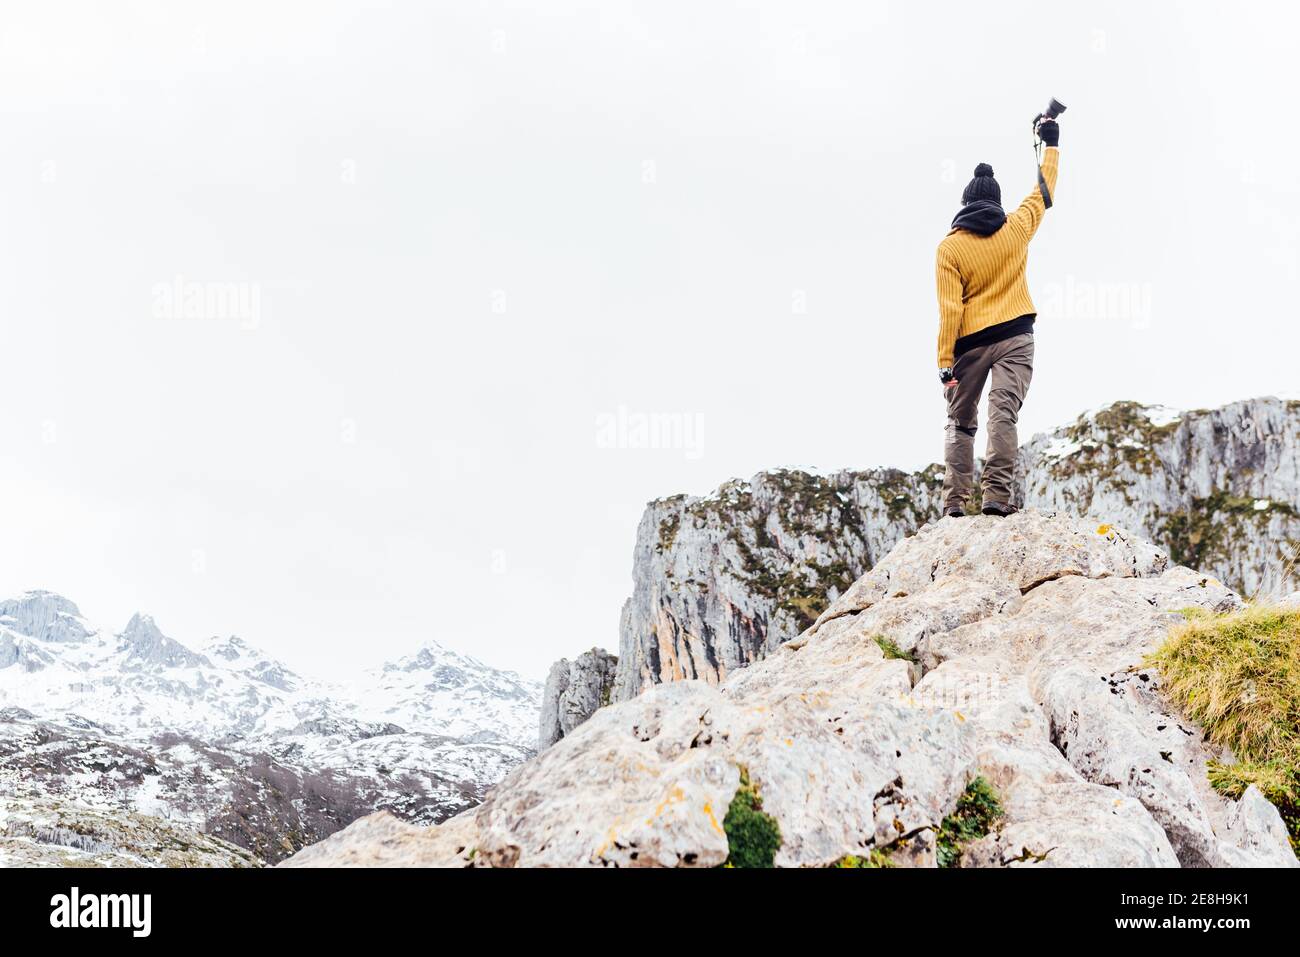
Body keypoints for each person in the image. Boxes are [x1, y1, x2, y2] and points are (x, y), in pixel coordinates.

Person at [935, 117, 1060, 518]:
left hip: (968, 344)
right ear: (996, 201)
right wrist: (1051, 142)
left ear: (964, 203)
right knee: (1002, 413)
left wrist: (944, 363)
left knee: (960, 422)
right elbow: (1044, 191)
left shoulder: (950, 248)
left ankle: (954, 505)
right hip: (1016, 335)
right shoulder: (1016, 227)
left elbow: (950, 308)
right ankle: (996, 498)